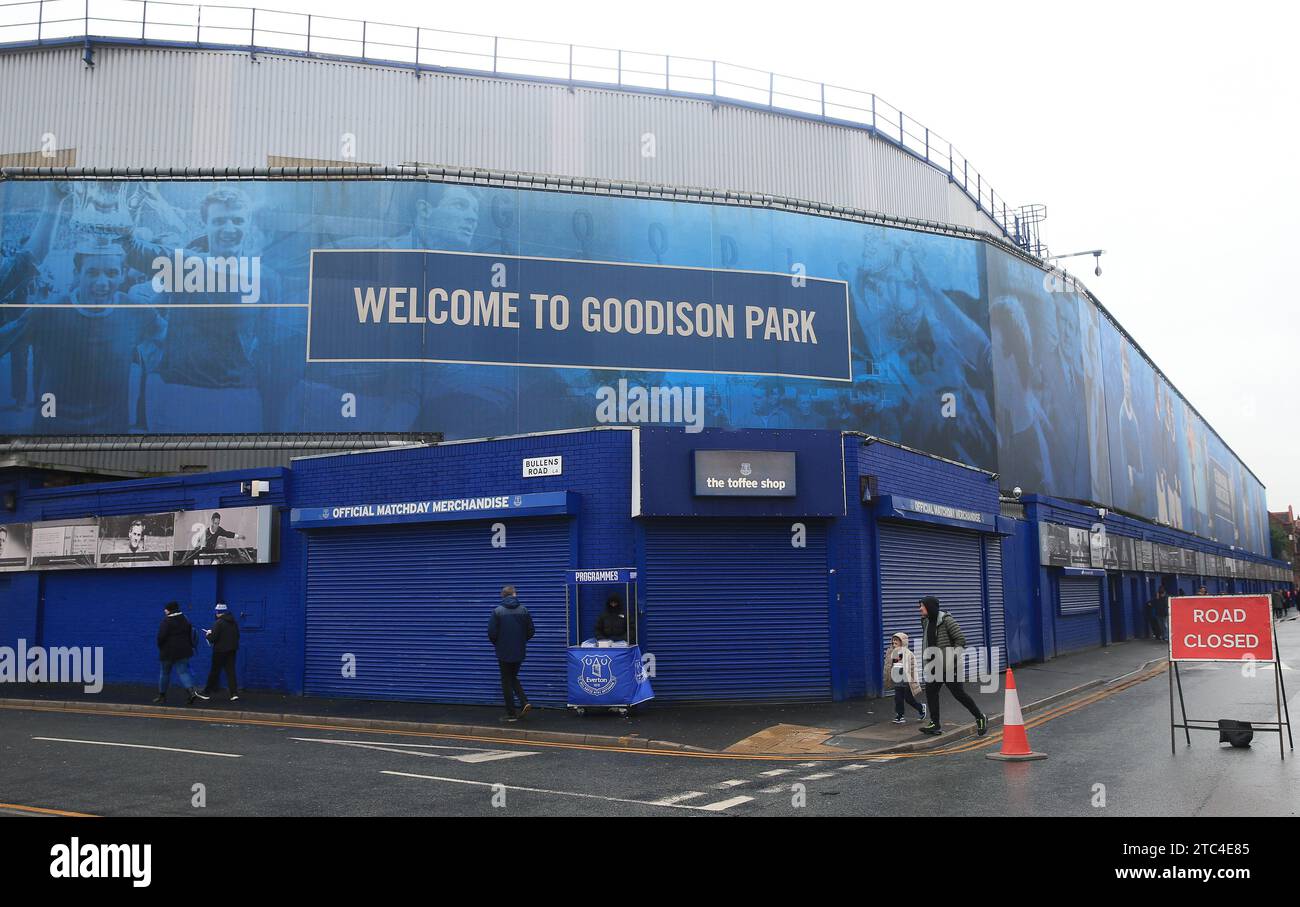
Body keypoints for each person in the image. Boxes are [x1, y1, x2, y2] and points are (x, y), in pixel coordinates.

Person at [917, 596, 987, 736]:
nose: (919, 608)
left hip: (950, 666)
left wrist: (951, 658)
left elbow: (960, 640)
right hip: (933, 666)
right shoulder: (925, 621)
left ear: (929, 607)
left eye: (922, 606)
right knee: (931, 692)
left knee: (959, 694)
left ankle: (980, 717)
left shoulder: (947, 620)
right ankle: (935, 724)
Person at [487, 585, 535, 722]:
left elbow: (492, 633)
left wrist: (500, 644)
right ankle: (524, 701)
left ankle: (511, 713)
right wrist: (521, 641)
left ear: (503, 595)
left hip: (503, 652)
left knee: (506, 681)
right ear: (514, 594)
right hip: (519, 650)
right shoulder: (524, 610)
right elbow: (531, 630)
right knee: (512, 677)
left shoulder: (497, 611)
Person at [155, 601, 209, 706]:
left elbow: (161, 637)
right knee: (183, 673)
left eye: (166, 609)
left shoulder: (166, 621)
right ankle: (191, 692)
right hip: (184, 651)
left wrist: (161, 647)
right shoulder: (185, 619)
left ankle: (162, 696)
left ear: (169, 610)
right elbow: (190, 634)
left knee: (164, 673)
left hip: (168, 651)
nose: (164, 610)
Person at [883, 631, 926, 725]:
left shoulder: (908, 654)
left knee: (908, 699)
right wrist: (887, 677)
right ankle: (900, 716)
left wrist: (914, 680)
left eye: (896, 643)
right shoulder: (890, 652)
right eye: (893, 643)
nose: (894, 645)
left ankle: (921, 708)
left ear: (902, 643)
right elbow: (887, 665)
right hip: (897, 678)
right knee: (898, 698)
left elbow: (913, 668)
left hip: (906, 680)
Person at [201, 602, 241, 701]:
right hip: (232, 650)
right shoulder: (233, 622)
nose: (216, 613)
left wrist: (208, 634)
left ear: (218, 612)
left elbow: (213, 638)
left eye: (216, 612)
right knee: (230, 671)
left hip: (219, 651)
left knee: (214, 671)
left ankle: (206, 692)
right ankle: (234, 693)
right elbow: (237, 636)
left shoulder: (218, 623)